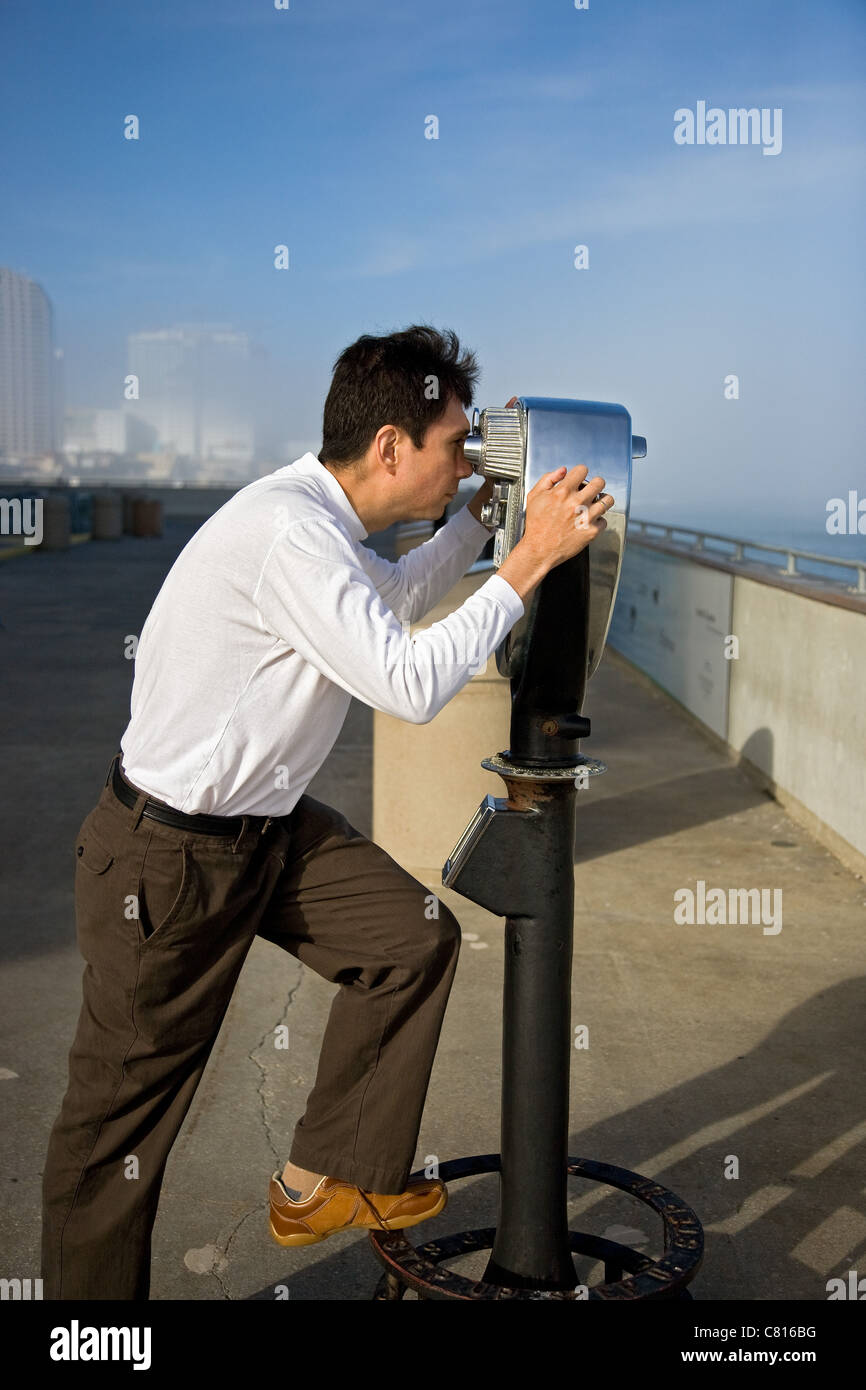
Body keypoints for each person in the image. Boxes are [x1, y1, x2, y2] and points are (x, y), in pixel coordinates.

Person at [41, 324, 613, 1299]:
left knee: (411, 936)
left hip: (265, 830)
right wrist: (525, 563)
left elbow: (381, 604)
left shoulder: (321, 524)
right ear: (391, 445)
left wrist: (474, 528)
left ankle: (323, 1177)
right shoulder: (288, 533)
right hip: (169, 860)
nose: (466, 458)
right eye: (455, 443)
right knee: (115, 1143)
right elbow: (406, 678)